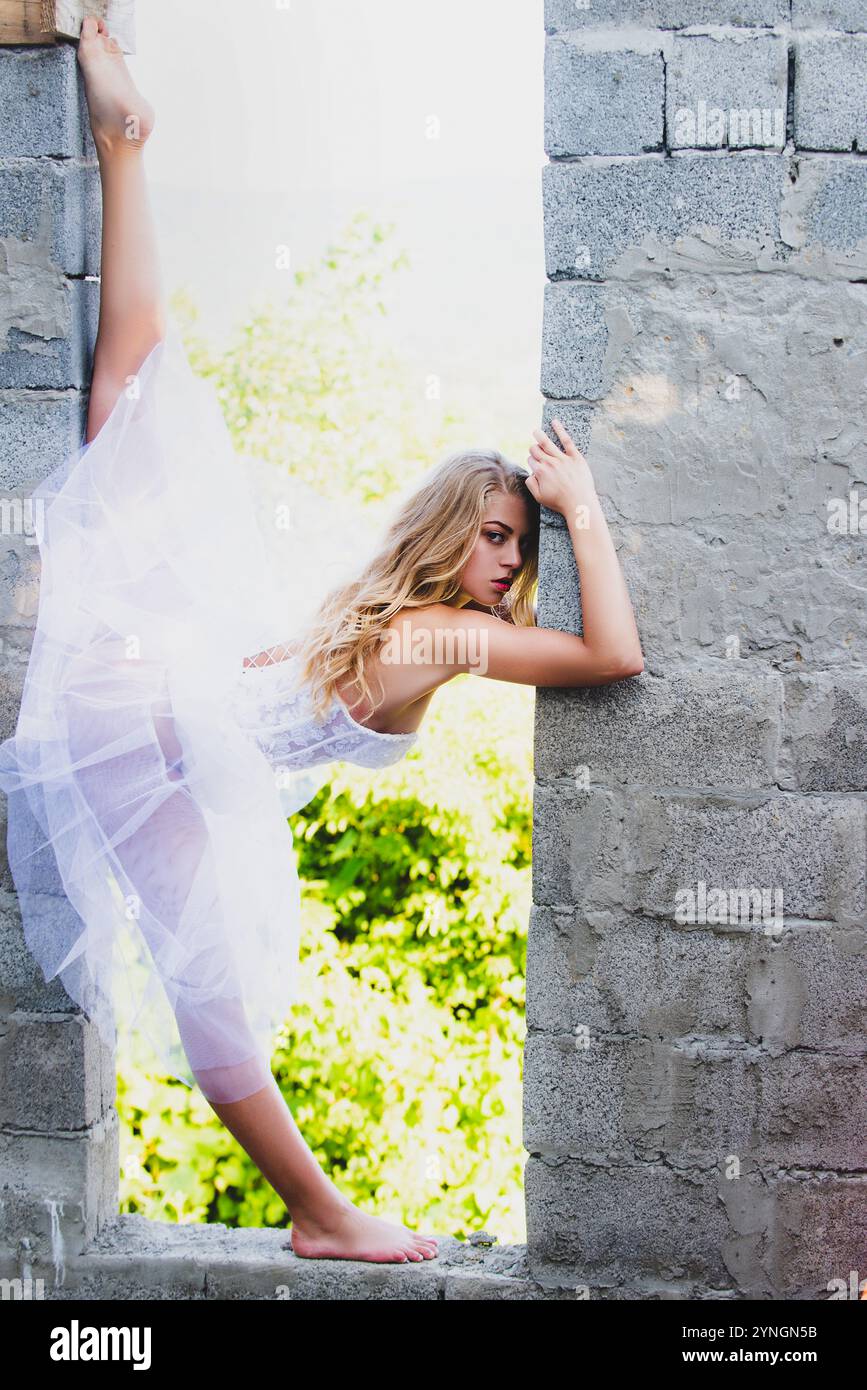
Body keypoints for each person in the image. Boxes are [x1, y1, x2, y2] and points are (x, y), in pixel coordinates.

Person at [0, 16, 643, 1264]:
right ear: (455, 532)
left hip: (162, 694)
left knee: (134, 400)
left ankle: (126, 152)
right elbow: (610, 657)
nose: (512, 564)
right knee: (211, 993)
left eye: (524, 546)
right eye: (501, 536)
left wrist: (550, 523)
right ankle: (320, 1214)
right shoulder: (440, 640)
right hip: (155, 732)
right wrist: (589, 510)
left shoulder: (382, 603)